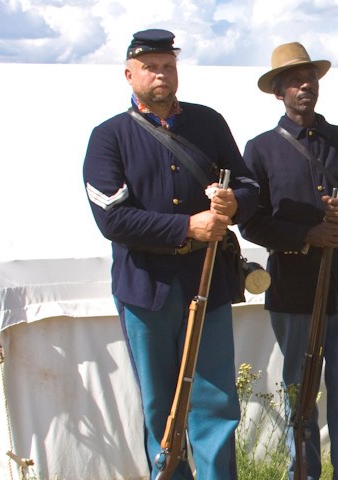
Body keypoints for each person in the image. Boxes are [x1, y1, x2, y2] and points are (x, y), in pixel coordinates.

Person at [83, 29, 259, 479]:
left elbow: (250, 186)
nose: (161, 74)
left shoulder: (209, 122)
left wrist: (232, 202)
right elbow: (113, 220)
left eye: (168, 65)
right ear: (129, 74)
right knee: (161, 403)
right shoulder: (108, 137)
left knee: (216, 399)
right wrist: (188, 226)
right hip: (147, 289)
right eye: (150, 67)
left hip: (209, 281)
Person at [239, 42, 338, 480]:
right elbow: (251, 222)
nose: (305, 86)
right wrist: (304, 236)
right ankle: (304, 472)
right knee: (301, 393)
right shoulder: (259, 150)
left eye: (310, 78)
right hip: (294, 285)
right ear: (278, 90)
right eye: (295, 80)